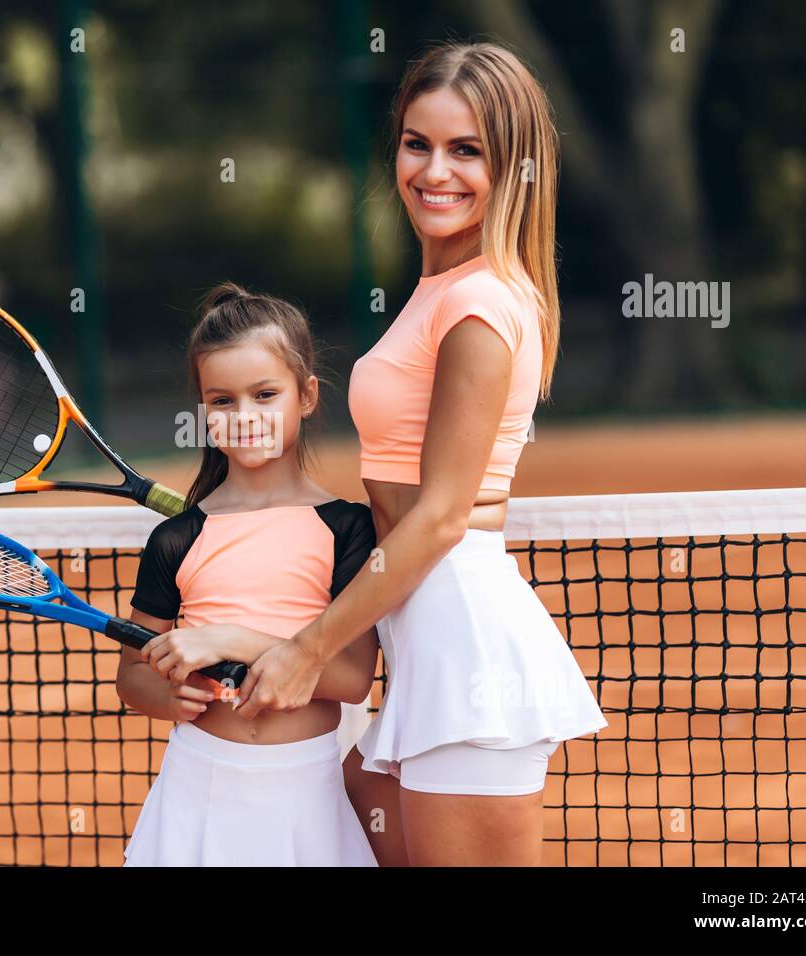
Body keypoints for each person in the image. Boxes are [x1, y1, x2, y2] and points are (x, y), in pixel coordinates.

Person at [164, 42, 608, 866]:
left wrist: (305, 649)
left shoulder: (478, 304)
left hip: (465, 648)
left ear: (512, 167)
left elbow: (439, 516)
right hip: (423, 643)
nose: (434, 170)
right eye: (417, 142)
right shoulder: (441, 290)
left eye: (466, 149)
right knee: (360, 813)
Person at [118, 282, 378, 867]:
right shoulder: (177, 537)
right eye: (224, 401)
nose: (245, 417)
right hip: (196, 784)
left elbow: (351, 677)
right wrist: (167, 695)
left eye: (266, 394)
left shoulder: (348, 529)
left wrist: (231, 639)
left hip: (305, 789)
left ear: (306, 395)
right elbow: (132, 676)